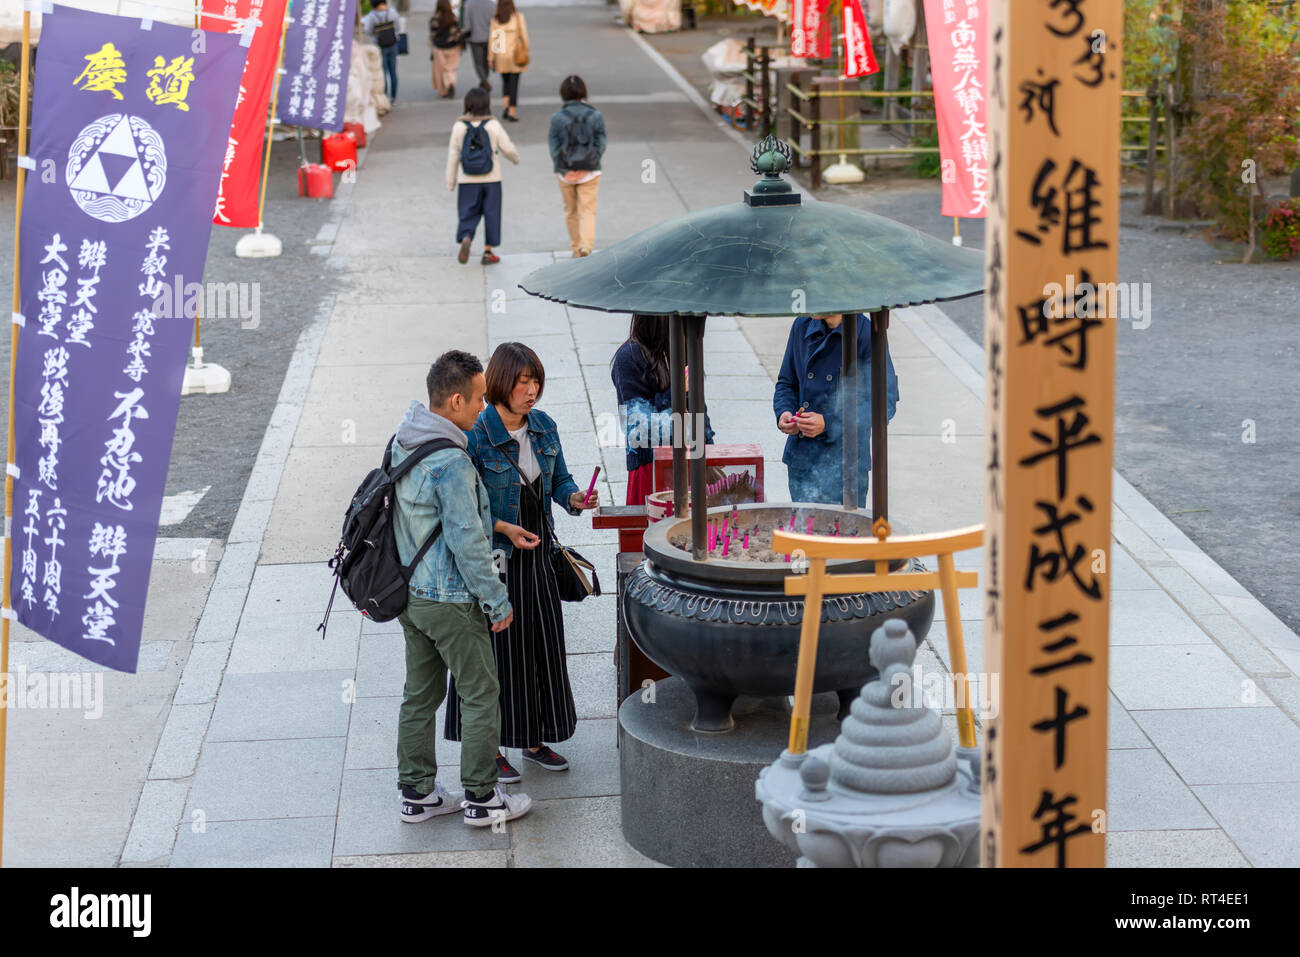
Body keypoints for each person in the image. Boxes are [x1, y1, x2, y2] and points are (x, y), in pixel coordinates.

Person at [391, 349, 532, 828]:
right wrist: (497, 600)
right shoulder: (452, 461)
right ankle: (482, 798)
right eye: (477, 400)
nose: (482, 408)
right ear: (454, 400)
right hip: (451, 600)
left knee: (419, 694)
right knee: (478, 693)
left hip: (410, 595)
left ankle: (416, 794)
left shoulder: (405, 439)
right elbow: (467, 541)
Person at [445, 343, 596, 783]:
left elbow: (560, 479)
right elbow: (462, 506)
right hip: (496, 557)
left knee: (539, 646)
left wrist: (573, 497)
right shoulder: (476, 433)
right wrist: (502, 527)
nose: (531, 391)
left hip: (540, 553)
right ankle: (488, 746)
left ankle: (532, 738)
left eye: (536, 382)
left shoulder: (545, 427)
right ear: (500, 383)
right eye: (522, 382)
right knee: (494, 652)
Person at [772, 313, 899, 506]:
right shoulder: (801, 325)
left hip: (846, 467)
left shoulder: (867, 332)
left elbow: (884, 405)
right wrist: (785, 412)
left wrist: (828, 424)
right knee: (803, 531)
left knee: (842, 533)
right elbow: (786, 383)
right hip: (802, 460)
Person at [610, 315, 715, 506]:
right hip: (651, 466)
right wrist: (677, 392)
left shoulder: (685, 350)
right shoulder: (629, 357)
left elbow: (698, 406)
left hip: (691, 461)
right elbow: (639, 429)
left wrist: (709, 445)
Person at [446, 86, 519, 265]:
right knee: (492, 214)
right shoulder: (493, 125)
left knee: (468, 212)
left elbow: (453, 154)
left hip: (467, 179)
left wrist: (451, 181)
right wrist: (515, 159)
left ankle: (466, 236)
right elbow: (507, 147)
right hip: (492, 178)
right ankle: (488, 251)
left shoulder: (459, 126)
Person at [548, 75, 607, 258]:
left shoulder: (557, 117)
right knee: (588, 210)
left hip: (565, 173)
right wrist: (591, 160)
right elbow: (601, 142)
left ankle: (575, 248)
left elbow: (553, 145)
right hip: (590, 171)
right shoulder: (595, 115)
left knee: (571, 211)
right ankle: (586, 247)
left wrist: (564, 166)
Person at [489, 0, 528, 122]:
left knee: (505, 82)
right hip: (514, 55)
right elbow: (524, 36)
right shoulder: (517, 17)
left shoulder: (496, 19)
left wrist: (491, 57)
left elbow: (494, 40)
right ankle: (511, 111)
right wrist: (526, 50)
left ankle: (505, 106)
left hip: (501, 55)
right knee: (514, 83)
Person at [362, 0, 402, 103]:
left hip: (380, 46)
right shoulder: (392, 12)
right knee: (393, 71)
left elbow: (368, 31)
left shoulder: (372, 16)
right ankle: (394, 97)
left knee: (383, 73)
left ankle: (384, 97)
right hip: (393, 44)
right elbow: (398, 27)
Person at [428, 0, 463, 99]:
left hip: (439, 48)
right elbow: (458, 32)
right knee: (451, 68)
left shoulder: (435, 19)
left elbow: (432, 35)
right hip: (453, 47)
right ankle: (451, 82)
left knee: (441, 70)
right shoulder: (453, 17)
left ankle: (445, 89)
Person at [464, 0, 495, 91]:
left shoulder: (469, 4)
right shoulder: (492, 4)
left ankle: (484, 81)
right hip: (489, 38)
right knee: (486, 62)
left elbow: (467, 24)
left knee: (478, 63)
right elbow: (495, 22)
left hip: (475, 38)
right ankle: (484, 80)